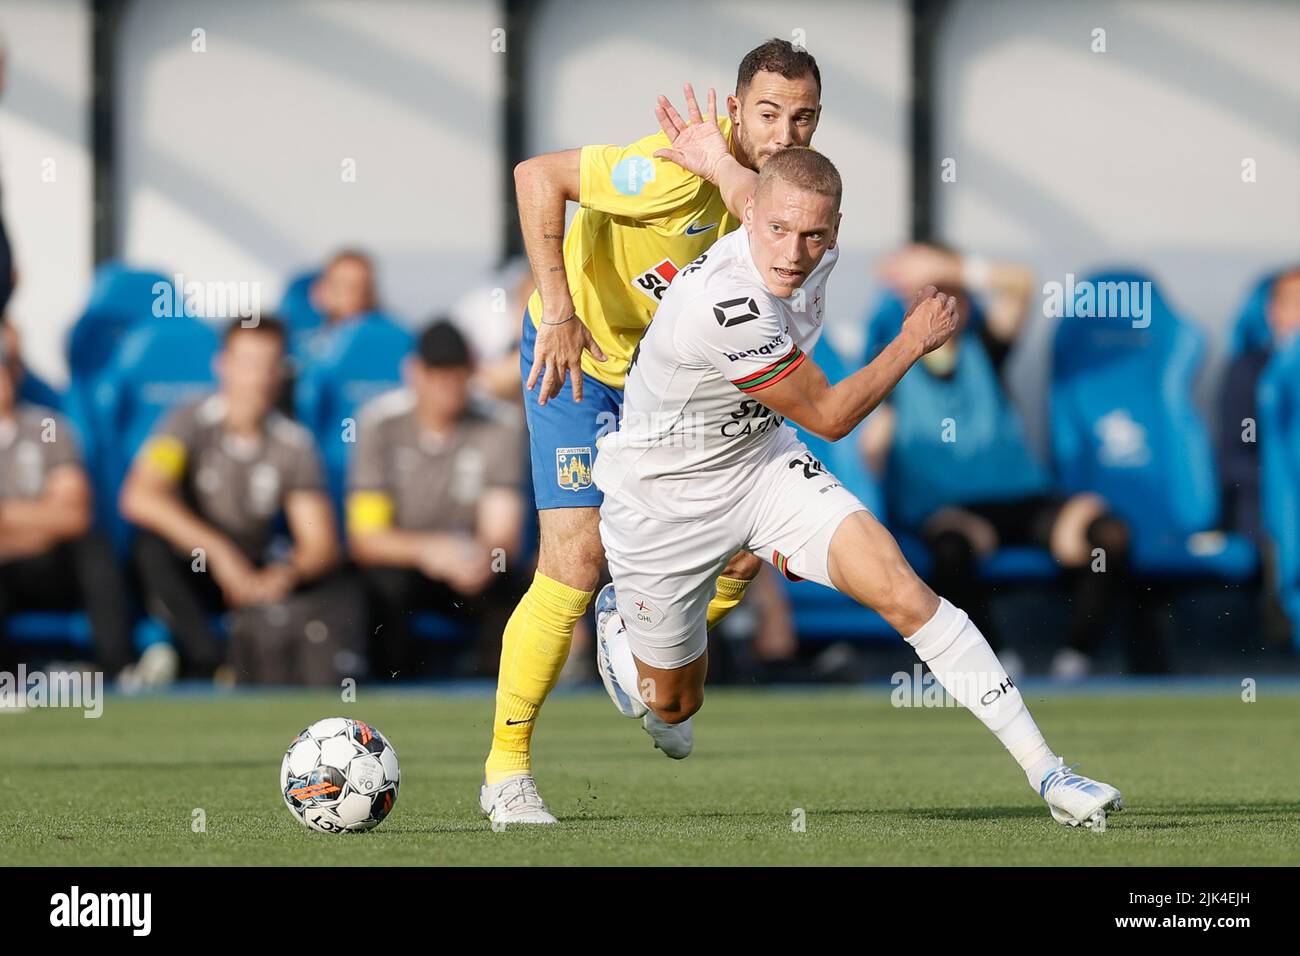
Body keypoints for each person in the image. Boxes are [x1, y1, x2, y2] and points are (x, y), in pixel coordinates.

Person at [592, 149, 1123, 830]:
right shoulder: (728, 305)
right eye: (780, 231)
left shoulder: (795, 231)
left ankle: (1051, 773)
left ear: (836, 228)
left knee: (907, 595)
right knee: (673, 707)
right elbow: (832, 417)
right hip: (663, 500)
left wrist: (714, 156)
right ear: (752, 220)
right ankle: (624, 635)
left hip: (762, 466)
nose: (794, 252)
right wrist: (910, 342)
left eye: (814, 234)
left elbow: (746, 188)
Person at [480, 39, 824, 823]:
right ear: (735, 110)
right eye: (768, 113)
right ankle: (506, 773)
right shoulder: (665, 171)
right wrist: (560, 310)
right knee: (575, 558)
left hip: (677, 383)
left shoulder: (793, 201)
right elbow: (536, 175)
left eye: (802, 118)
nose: (785, 134)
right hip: (585, 359)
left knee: (752, 535)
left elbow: (765, 229)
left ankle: (634, 645)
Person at [863, 244, 1158, 679]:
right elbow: (869, 454)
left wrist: (948, 266)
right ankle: (997, 664)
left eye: (950, 295)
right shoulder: (891, 370)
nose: (941, 306)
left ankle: (1075, 661)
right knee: (950, 549)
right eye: (927, 296)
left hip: (1026, 502)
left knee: (1109, 535)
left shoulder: (986, 349)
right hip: (954, 514)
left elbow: (1021, 283)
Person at [119, 317, 349, 682]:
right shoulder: (187, 421)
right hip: (197, 564)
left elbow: (319, 542)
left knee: (340, 579)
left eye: (269, 364)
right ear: (222, 365)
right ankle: (210, 662)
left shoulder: (293, 442)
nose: (258, 377)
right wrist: (218, 551)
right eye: (248, 363)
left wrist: (283, 575)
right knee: (150, 548)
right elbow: (140, 496)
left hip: (255, 571)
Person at [348, 320, 527, 679]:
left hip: (469, 562)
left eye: (456, 372)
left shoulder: (499, 424)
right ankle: (393, 688)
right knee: (380, 586)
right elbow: (367, 538)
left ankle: (496, 696)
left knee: (509, 582)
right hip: (405, 562)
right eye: (436, 372)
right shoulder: (380, 423)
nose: (447, 384)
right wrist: (430, 551)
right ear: (415, 372)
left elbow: (502, 531)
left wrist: (478, 557)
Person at [0, 322, 132, 677]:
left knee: (93, 546)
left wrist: (9, 520)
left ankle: (121, 671)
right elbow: (55, 513)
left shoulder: (49, 428)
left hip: (48, 565)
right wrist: (39, 518)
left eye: (8, 360)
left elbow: (74, 515)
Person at [1219, 267, 1300, 543]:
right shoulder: (1250, 373)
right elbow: (1235, 458)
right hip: (1269, 509)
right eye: (1296, 303)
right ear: (1273, 312)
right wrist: (1283, 477)